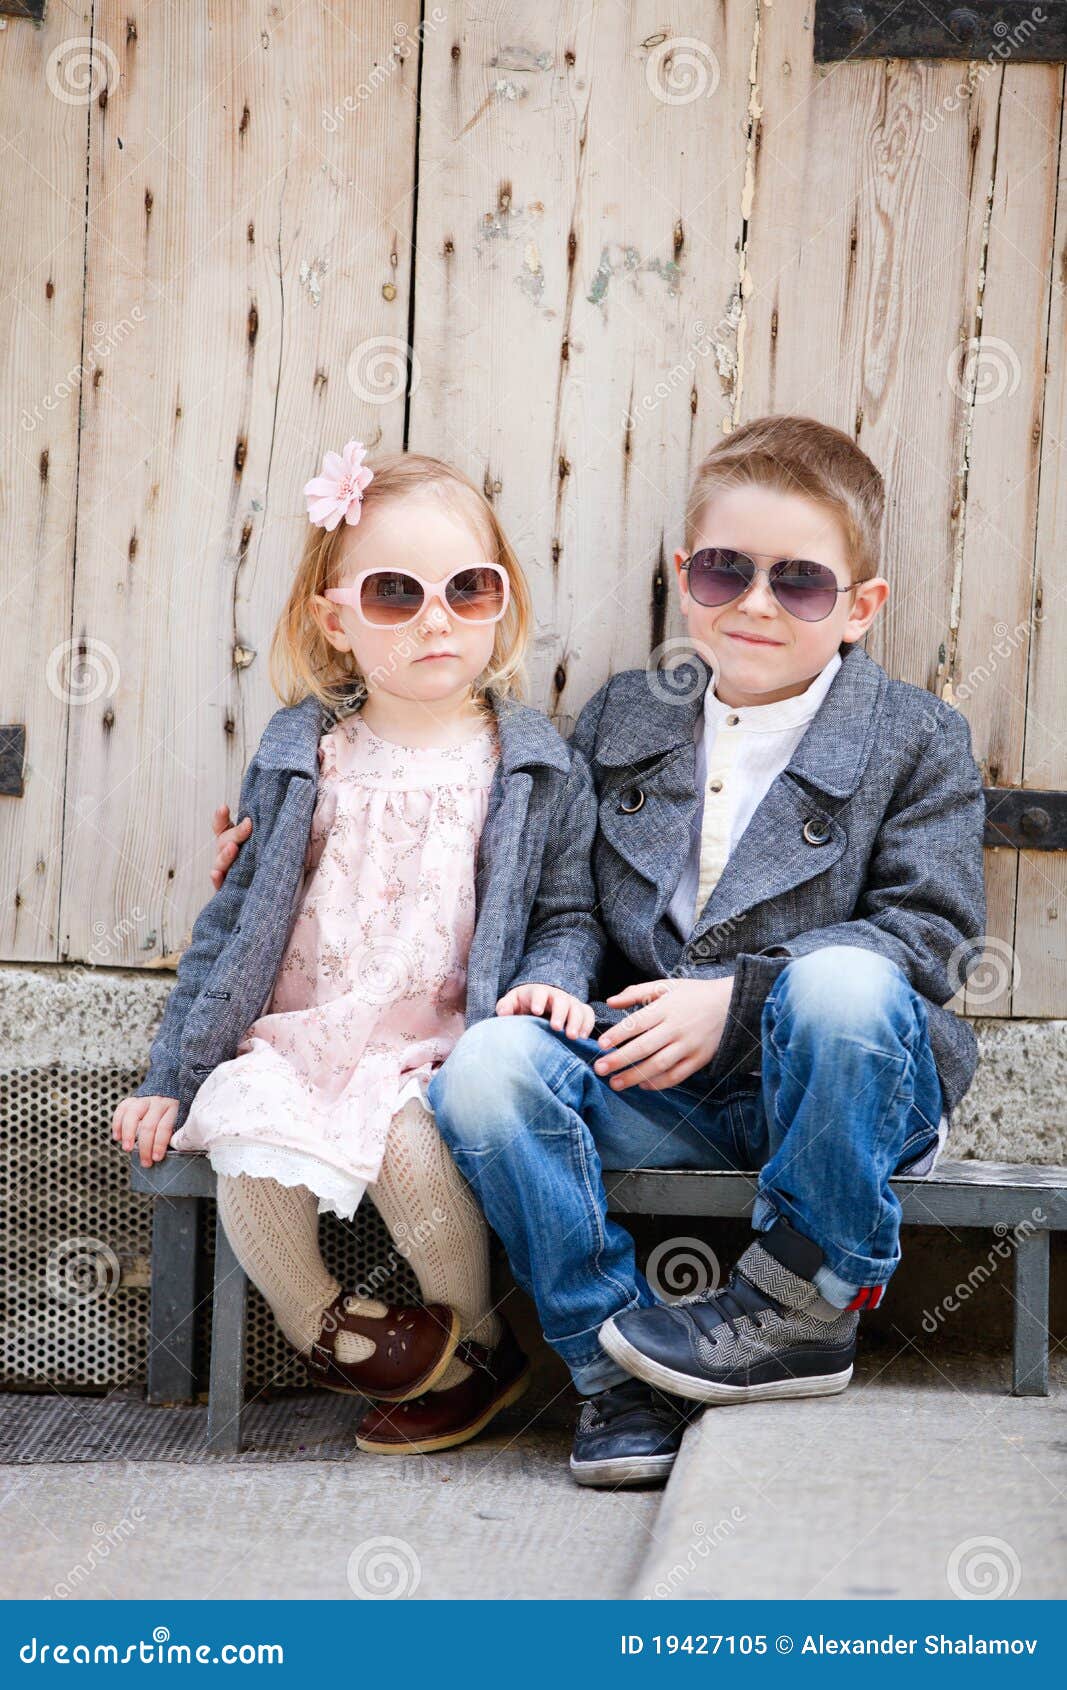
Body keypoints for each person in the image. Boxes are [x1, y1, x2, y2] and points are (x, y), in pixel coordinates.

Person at [425, 414, 987, 1487]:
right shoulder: (625, 718)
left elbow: (929, 935)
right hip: (662, 1080)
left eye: (800, 582)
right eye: (727, 570)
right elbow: (570, 905)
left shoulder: (913, 737)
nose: (757, 604)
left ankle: (806, 1298)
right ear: (685, 575)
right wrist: (551, 984)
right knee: (488, 1067)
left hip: (841, 1086)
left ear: (860, 606)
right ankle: (613, 1364)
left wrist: (738, 1000)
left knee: (842, 983)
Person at [113, 442, 604, 1455]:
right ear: (334, 618)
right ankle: (336, 1332)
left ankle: (476, 1343)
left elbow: (568, 913)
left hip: (434, 1045)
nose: (436, 618)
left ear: (502, 602)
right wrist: (172, 1074)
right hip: (303, 1036)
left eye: (468, 588)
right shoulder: (305, 754)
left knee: (414, 1154)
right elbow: (234, 922)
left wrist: (552, 982)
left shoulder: (533, 766)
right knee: (245, 1136)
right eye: (394, 592)